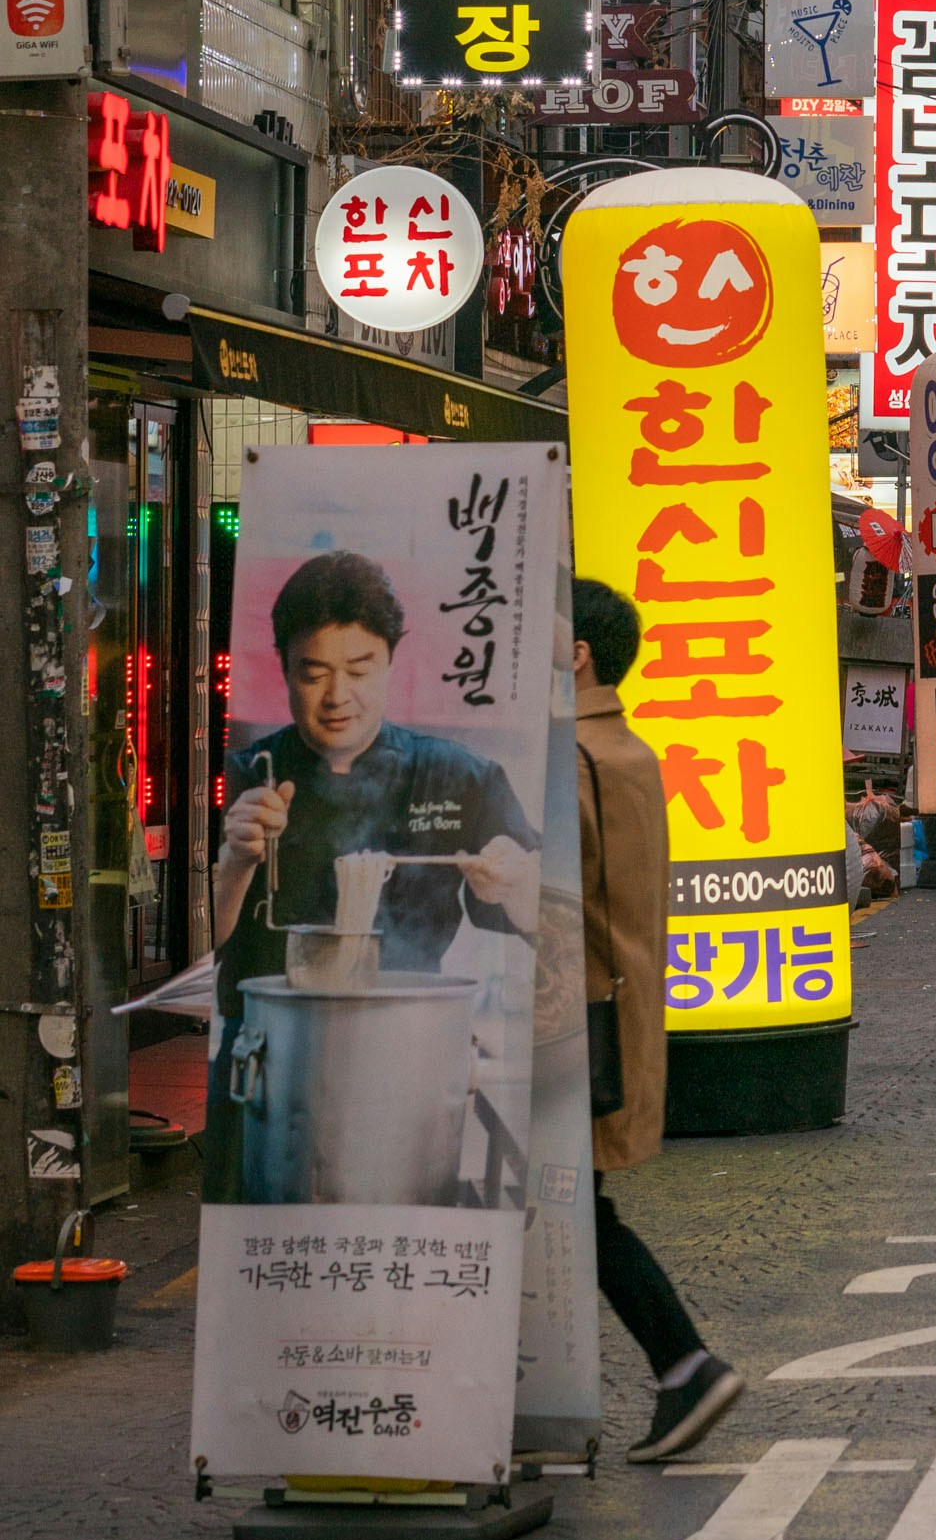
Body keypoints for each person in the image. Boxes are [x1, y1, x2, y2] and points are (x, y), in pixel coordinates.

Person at [207, 549, 542, 1199]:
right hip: (266, 1065)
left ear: (391, 662)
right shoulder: (245, 774)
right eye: (313, 673)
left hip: (408, 1067)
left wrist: (520, 887)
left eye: (359, 669)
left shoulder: (460, 777)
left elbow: (546, 923)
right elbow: (195, 950)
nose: (338, 697)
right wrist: (234, 863)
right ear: (283, 669)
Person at [573, 579, 743, 1463]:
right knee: (572, 1210)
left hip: (569, 1026)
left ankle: (683, 1363)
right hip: (621, 1011)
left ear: (576, 656)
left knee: (572, 1212)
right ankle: (677, 1367)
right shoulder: (627, 749)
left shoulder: (568, 757)